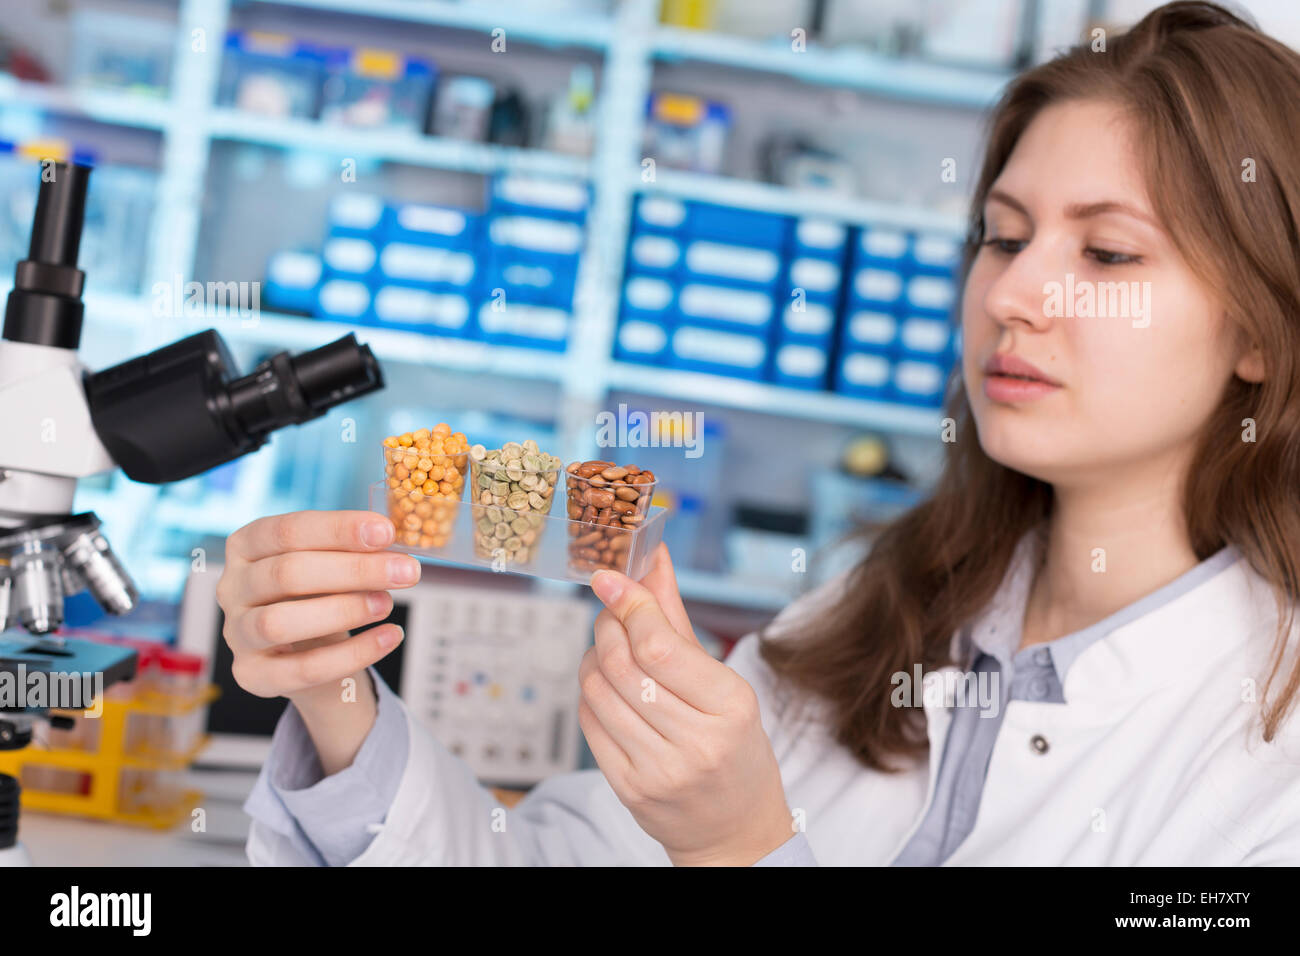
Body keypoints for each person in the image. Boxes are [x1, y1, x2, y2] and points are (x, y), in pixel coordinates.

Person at [219, 1, 1300, 865]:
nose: (1014, 294)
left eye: (1106, 255)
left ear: (1259, 325)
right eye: (1000, 236)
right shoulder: (876, 609)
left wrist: (739, 847)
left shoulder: (1269, 754)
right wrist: (339, 695)